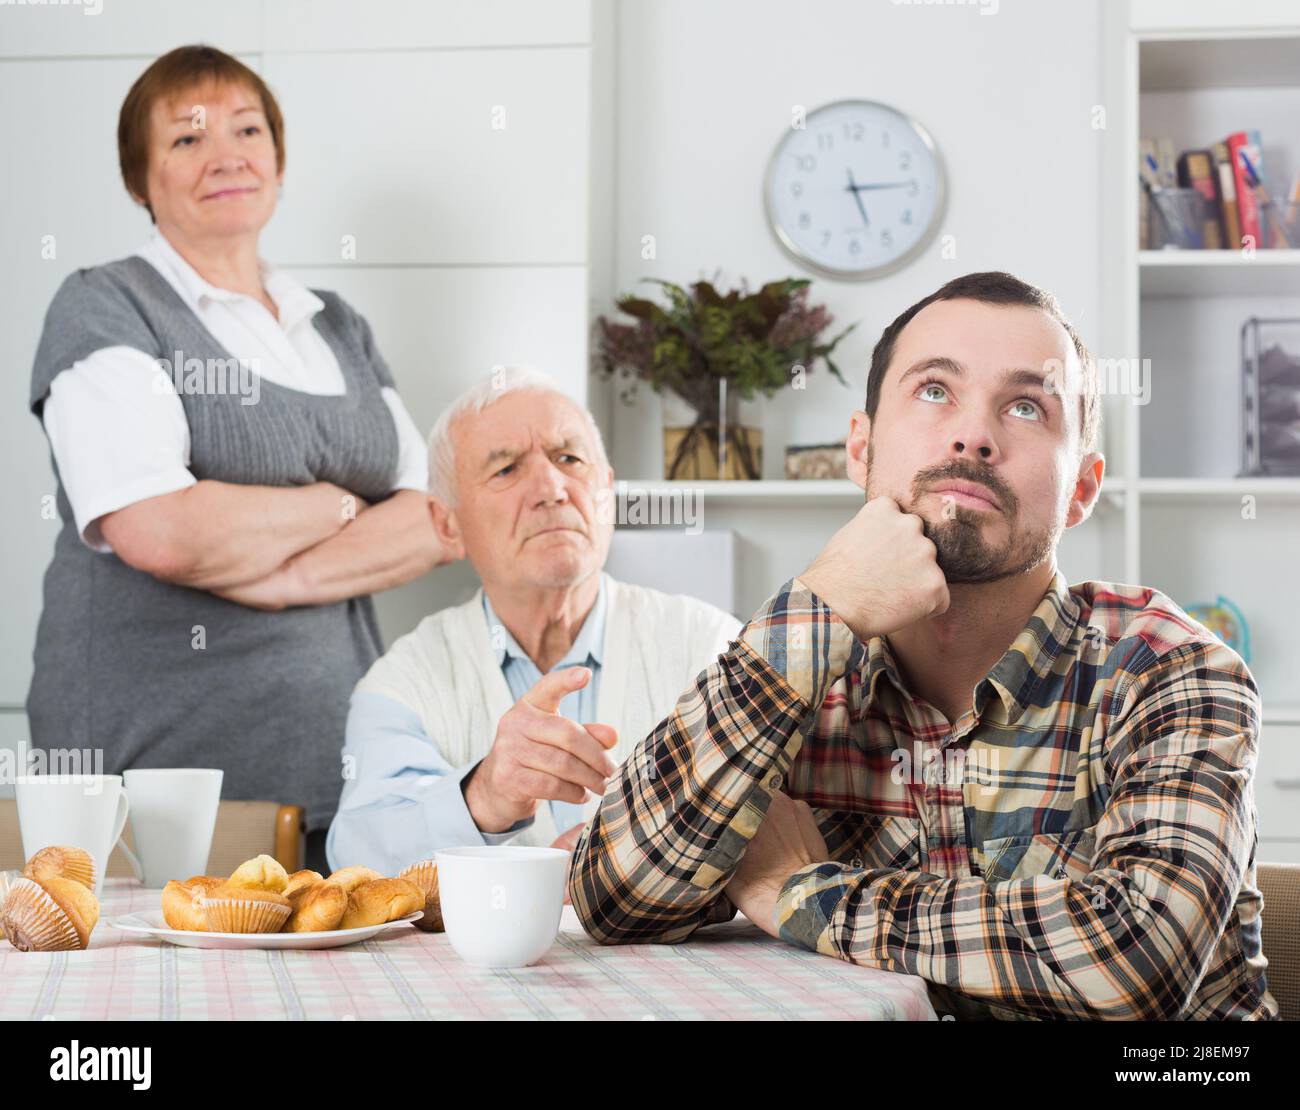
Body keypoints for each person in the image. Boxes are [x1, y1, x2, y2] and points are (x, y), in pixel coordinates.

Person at [569, 272, 1279, 1021]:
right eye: (935, 390)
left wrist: (805, 897)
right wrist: (822, 605)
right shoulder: (796, 670)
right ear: (860, 446)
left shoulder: (1167, 669)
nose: (974, 435)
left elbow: (1135, 961)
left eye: (1027, 406)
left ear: (1081, 490)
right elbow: (613, 898)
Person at [27, 45, 446, 872]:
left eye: (247, 130)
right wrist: (341, 505)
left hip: (343, 767)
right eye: (186, 139)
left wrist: (281, 577)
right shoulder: (105, 305)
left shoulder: (334, 322)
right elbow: (160, 532)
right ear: (139, 179)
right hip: (158, 780)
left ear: (279, 163)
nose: (225, 154)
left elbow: (435, 517)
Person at [327, 368, 740, 875]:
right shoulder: (404, 683)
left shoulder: (712, 647)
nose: (551, 487)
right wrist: (487, 796)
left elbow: (789, 825)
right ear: (447, 523)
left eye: (569, 458)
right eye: (505, 470)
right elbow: (359, 854)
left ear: (606, 491)